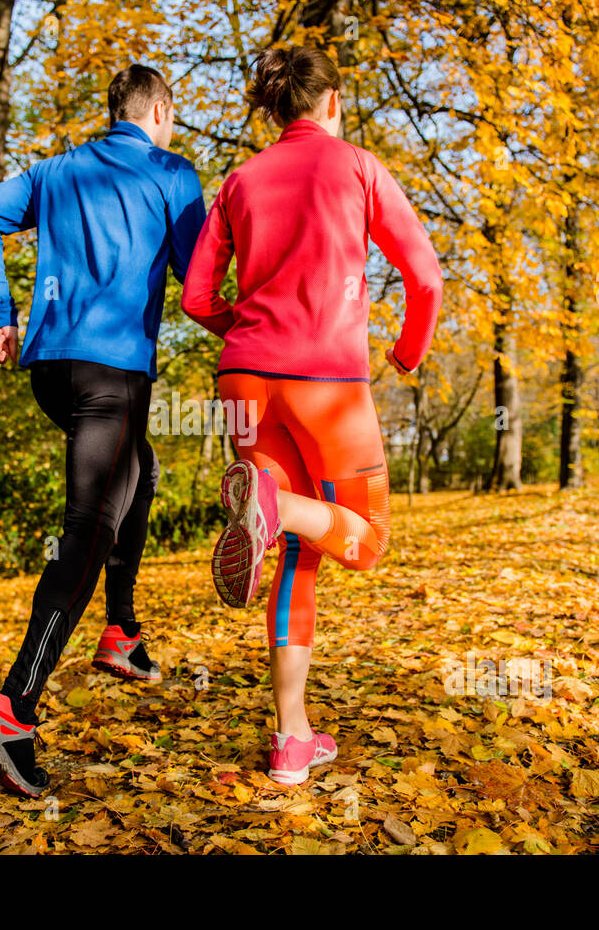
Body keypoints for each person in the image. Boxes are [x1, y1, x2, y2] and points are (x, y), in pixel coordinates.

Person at [181, 45, 443, 786]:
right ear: (332, 102)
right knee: (369, 540)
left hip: (244, 383)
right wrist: (407, 352)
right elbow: (425, 276)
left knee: (298, 548)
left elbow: (197, 298)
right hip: (325, 381)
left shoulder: (239, 180)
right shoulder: (359, 167)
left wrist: (247, 327)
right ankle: (273, 504)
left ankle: (292, 739)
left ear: (275, 110)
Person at [0, 65, 206, 797]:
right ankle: (13, 708)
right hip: (113, 375)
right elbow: (196, 282)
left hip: (52, 372)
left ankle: (121, 633)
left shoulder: (56, 170)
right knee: (90, 530)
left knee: (141, 475)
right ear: (159, 110)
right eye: (172, 116)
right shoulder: (171, 173)